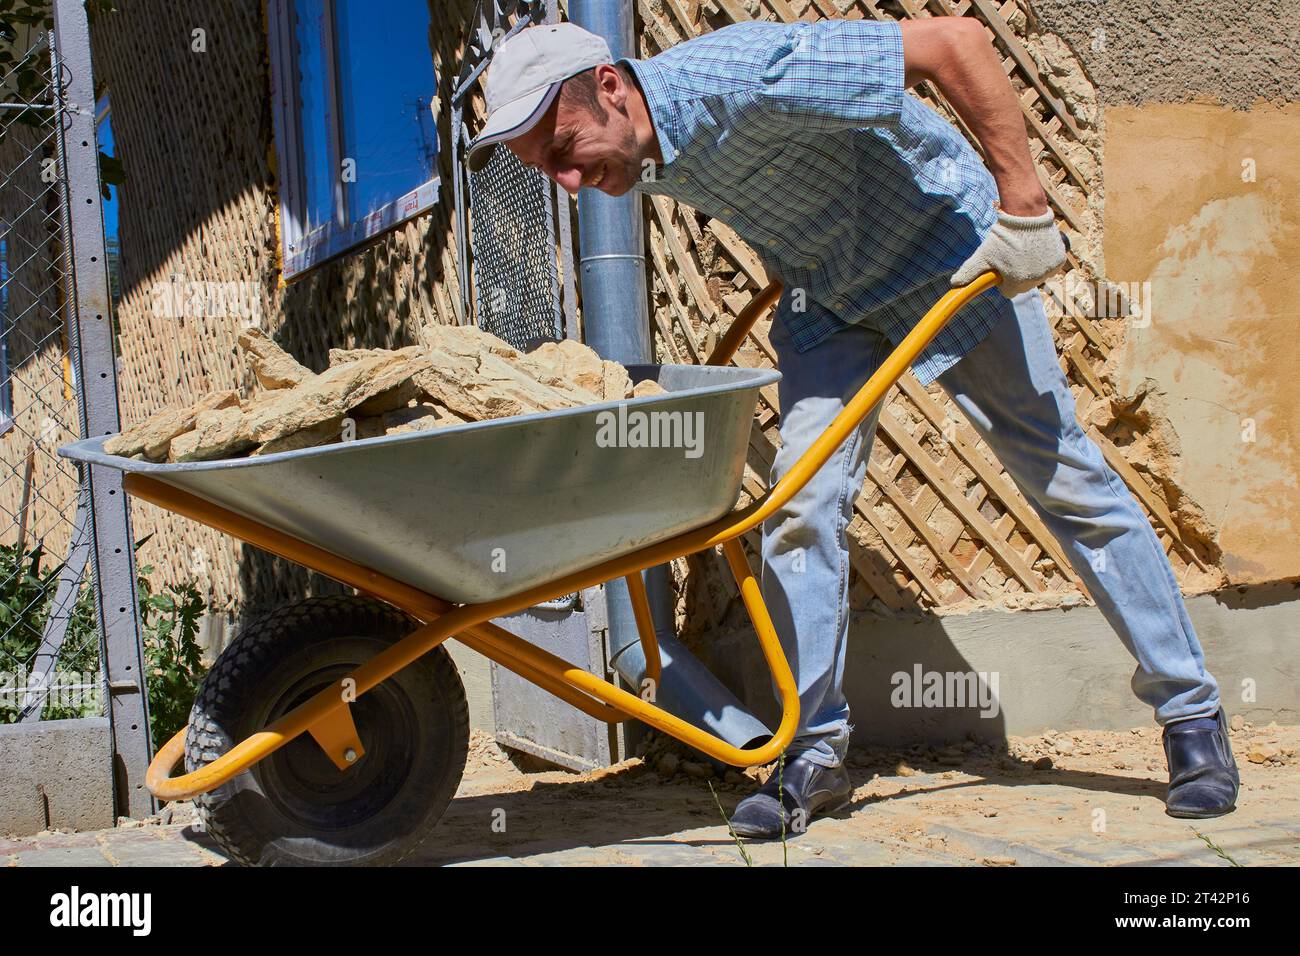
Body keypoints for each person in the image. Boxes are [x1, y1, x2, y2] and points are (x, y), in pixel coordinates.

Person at [465, 18, 1240, 838]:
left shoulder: (745, 72)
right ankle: (818, 750)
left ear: (612, 86)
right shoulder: (636, 149)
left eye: (566, 149)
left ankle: (1192, 718)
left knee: (1062, 476)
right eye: (549, 170)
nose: (573, 183)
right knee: (798, 509)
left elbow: (957, 44)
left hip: (951, 253)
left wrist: (1025, 206)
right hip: (829, 302)